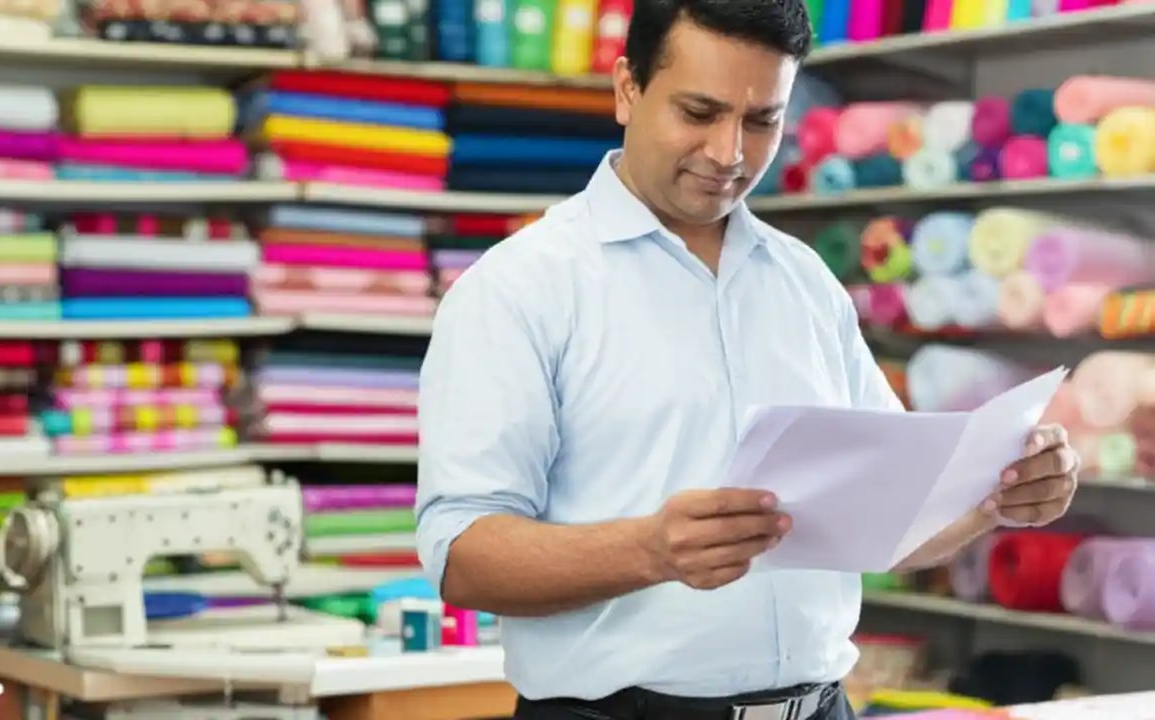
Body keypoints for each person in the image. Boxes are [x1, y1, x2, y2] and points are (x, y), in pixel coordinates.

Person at [414, 1, 1081, 718]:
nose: (729, 151)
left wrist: (996, 494)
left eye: (762, 120)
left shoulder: (804, 285)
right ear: (626, 89)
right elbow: (462, 555)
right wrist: (650, 551)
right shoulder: (521, 289)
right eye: (699, 112)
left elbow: (892, 526)